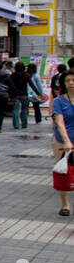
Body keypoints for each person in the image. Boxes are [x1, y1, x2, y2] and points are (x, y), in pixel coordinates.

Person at [51, 70, 74, 218]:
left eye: (73, 80)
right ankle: (65, 203)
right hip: (62, 142)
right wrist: (66, 141)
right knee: (64, 173)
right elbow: (59, 122)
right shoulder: (59, 101)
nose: (71, 83)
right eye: (67, 81)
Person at [11, 62, 32, 130]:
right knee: (24, 109)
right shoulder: (27, 75)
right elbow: (32, 85)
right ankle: (24, 124)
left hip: (15, 94)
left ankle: (16, 125)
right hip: (24, 94)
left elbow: (10, 85)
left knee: (15, 110)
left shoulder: (13, 75)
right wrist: (38, 93)